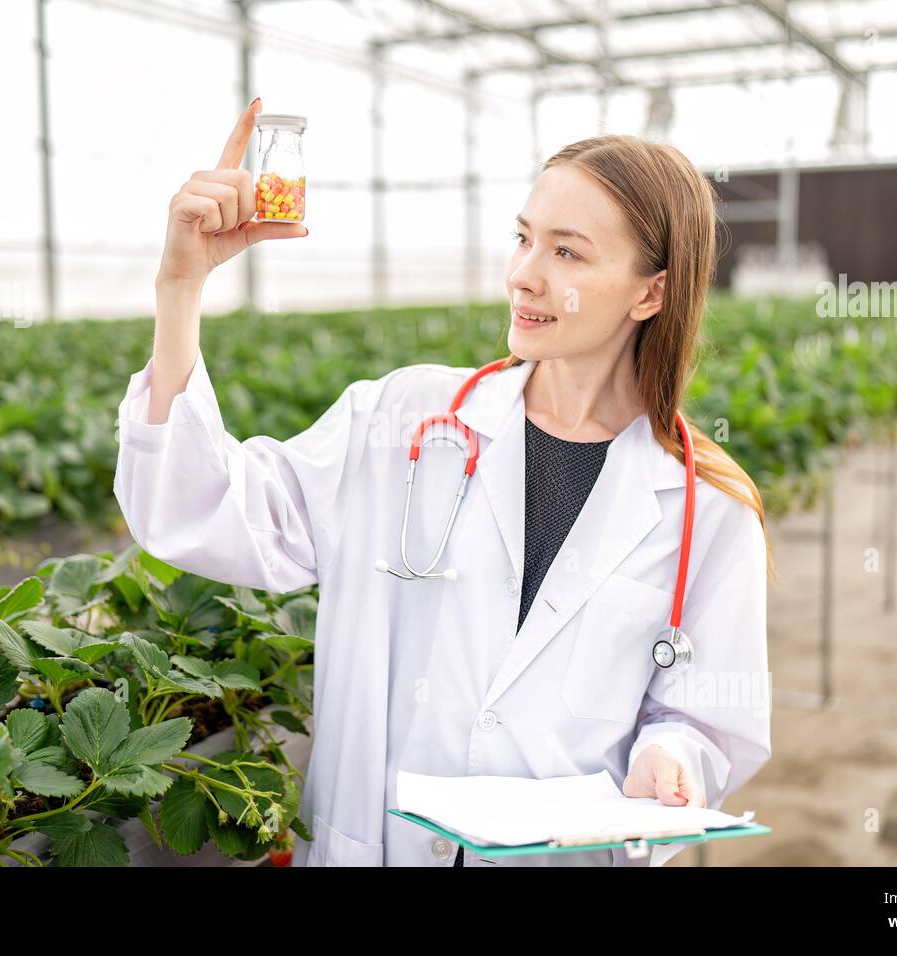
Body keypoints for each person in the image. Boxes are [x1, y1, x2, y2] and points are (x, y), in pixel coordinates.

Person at [114, 96, 774, 867]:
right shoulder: (405, 420)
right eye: (524, 239)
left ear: (650, 293)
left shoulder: (709, 509)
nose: (524, 276)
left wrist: (675, 757)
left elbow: (702, 719)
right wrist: (179, 287)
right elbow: (199, 507)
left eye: (567, 253)